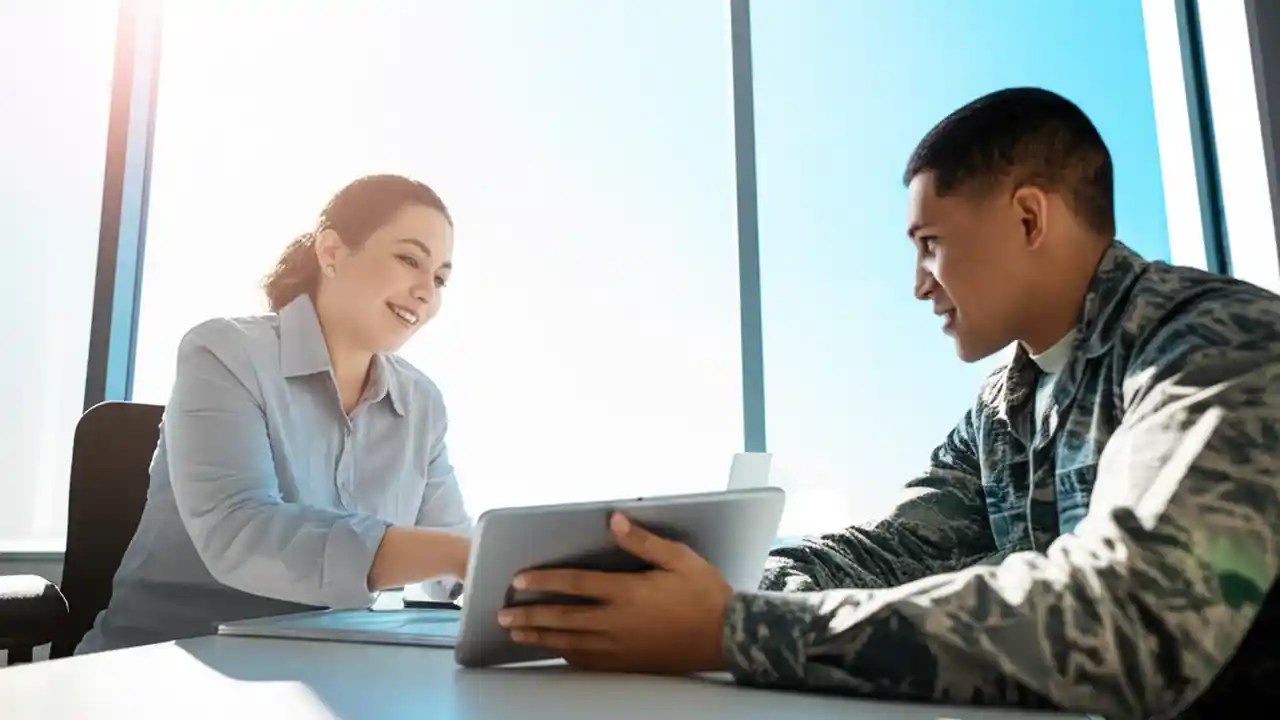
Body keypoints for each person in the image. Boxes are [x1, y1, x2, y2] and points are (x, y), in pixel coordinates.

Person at [495, 87, 1280, 718]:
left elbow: (1129, 618)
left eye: (929, 243)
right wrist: (720, 582)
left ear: (1030, 216)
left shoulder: (1212, 344)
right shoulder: (1002, 406)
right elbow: (895, 549)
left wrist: (731, 629)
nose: (918, 284)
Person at [78, 173, 471, 653]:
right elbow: (241, 532)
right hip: (166, 664)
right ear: (332, 252)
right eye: (410, 259)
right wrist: (459, 555)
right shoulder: (225, 352)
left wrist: (512, 575)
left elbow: (452, 553)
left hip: (327, 671)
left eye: (440, 278)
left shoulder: (421, 403)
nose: (426, 292)